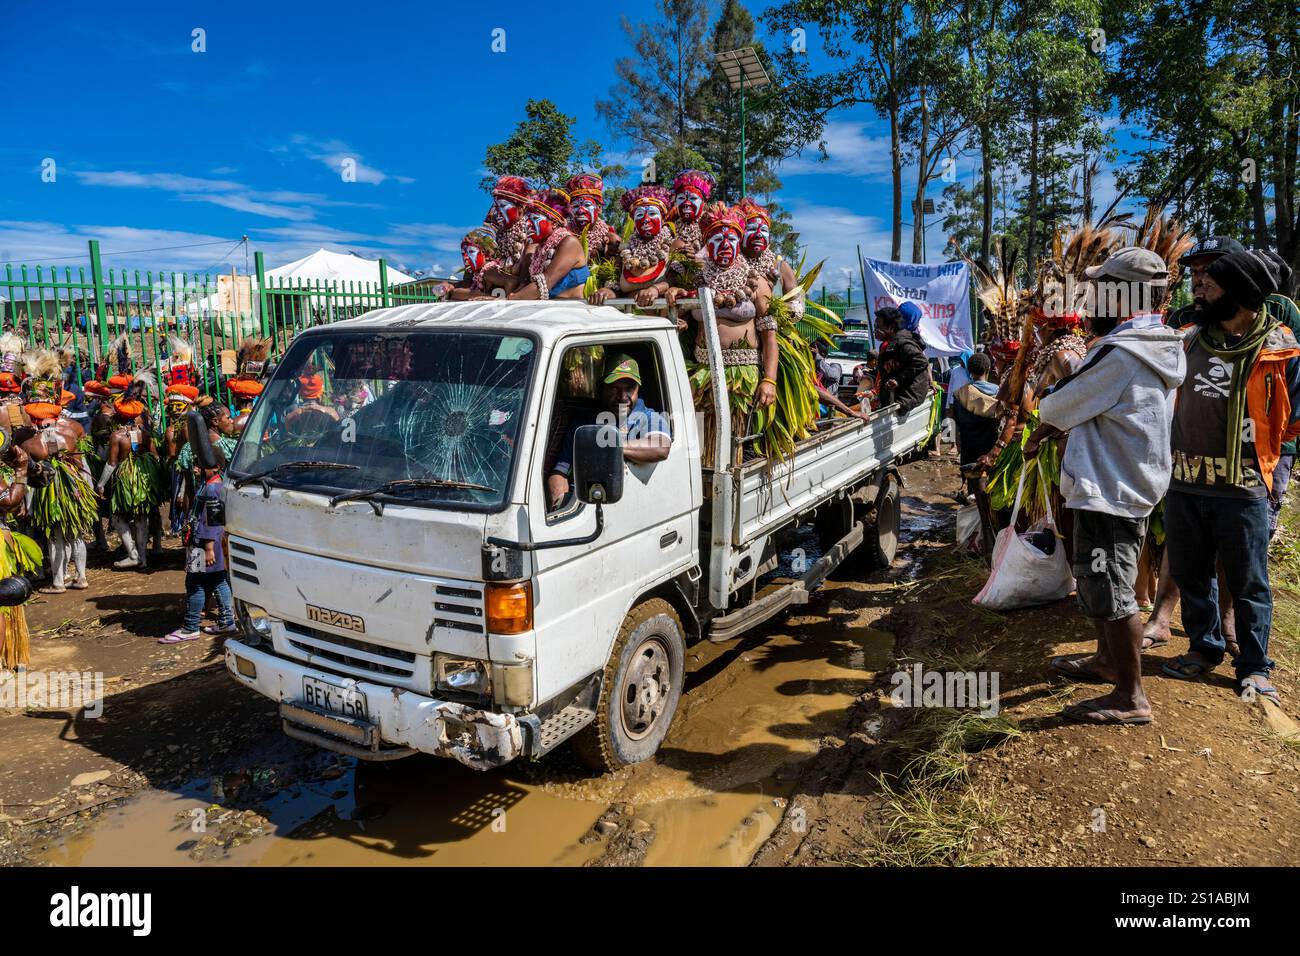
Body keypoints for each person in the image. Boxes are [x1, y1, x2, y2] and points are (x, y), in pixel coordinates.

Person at [1029, 246, 1186, 725]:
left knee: (1115, 592)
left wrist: (1058, 391)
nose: (1093, 296)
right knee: (1102, 584)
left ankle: (1130, 696)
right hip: (1120, 483)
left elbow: (1056, 407)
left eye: (1102, 287)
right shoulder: (1150, 344)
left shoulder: (1122, 355)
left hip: (1110, 491)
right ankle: (1104, 661)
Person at [1160, 250, 1300, 704]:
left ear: (1239, 291)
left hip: (1243, 486)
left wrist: (1269, 460)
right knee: (1191, 571)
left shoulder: (1281, 345)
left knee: (1248, 579)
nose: (1197, 288)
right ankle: (1204, 647)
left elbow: (1294, 416)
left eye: (1210, 283)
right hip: (1185, 479)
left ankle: (1255, 666)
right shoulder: (1187, 339)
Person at [546, 355, 671, 509]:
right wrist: (561, 506)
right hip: (581, 509)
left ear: (638, 390)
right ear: (600, 388)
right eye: (614, 388)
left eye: (629, 389)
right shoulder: (584, 423)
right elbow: (560, 471)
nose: (622, 397)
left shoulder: (650, 417)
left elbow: (660, 448)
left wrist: (609, 446)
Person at [18, 400, 95, 592]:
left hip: (47, 494)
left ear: (35, 421)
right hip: (72, 490)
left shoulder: (30, 444)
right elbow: (81, 467)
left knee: (55, 537)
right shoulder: (69, 436)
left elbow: (27, 481)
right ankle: (81, 577)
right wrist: (85, 493)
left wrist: (28, 506)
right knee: (76, 534)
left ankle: (58, 582)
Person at [162, 451, 235, 644]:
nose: (196, 469)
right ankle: (227, 620)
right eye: (196, 465)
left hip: (203, 546)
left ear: (217, 467)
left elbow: (211, 521)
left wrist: (208, 547)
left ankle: (190, 627)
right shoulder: (216, 485)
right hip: (212, 544)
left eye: (201, 466)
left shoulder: (211, 490)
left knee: (194, 583)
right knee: (219, 581)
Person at [506, 188, 589, 301]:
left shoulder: (569, 243)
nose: (528, 224)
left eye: (534, 219)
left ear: (554, 223)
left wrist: (507, 301)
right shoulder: (541, 249)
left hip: (573, 312)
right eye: (527, 220)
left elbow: (547, 280)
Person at [873, 305, 930, 412]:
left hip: (906, 399)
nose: (876, 330)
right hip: (896, 398)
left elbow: (921, 362)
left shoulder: (903, 343)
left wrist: (898, 379)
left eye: (879, 326)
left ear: (891, 327)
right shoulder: (891, 344)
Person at [952, 352, 1001, 469]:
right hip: (992, 449)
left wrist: (958, 443)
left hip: (969, 447)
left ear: (968, 370)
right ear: (988, 369)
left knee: (972, 480)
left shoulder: (960, 393)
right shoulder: (999, 393)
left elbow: (957, 421)